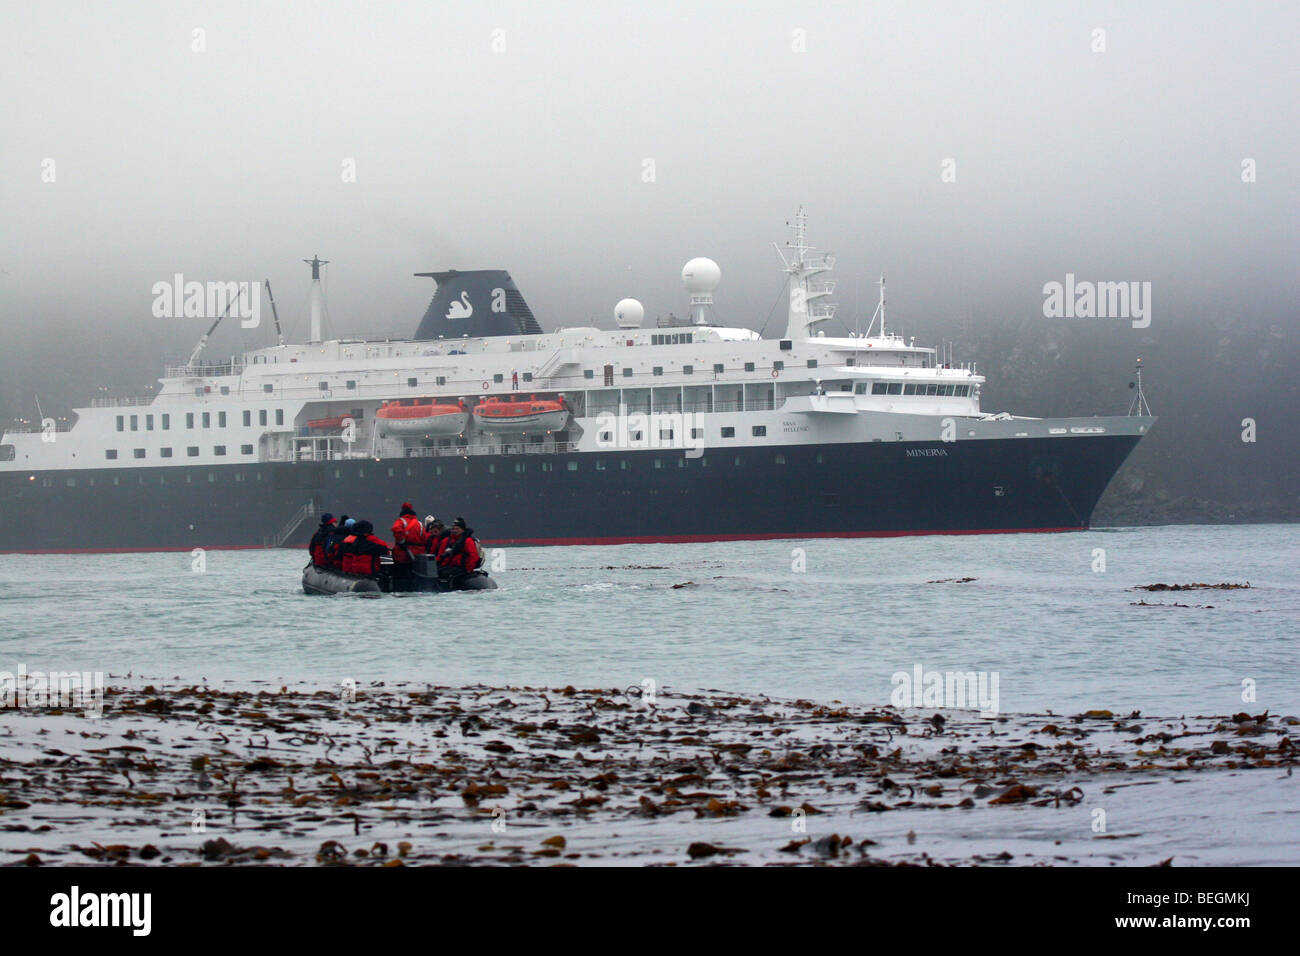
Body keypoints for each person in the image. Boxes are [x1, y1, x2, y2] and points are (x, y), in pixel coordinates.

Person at [390, 502, 426, 591]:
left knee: (396, 569)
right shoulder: (420, 524)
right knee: (411, 574)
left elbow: (396, 529)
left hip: (402, 554)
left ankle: (395, 585)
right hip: (417, 556)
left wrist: (402, 542)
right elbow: (425, 538)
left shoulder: (401, 521)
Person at [437, 516, 480, 585]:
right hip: (452, 566)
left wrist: (469, 570)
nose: (455, 531)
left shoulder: (468, 541)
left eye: (457, 529)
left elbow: (473, 556)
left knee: (446, 573)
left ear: (463, 530)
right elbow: (441, 556)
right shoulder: (449, 540)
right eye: (453, 529)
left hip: (463, 568)